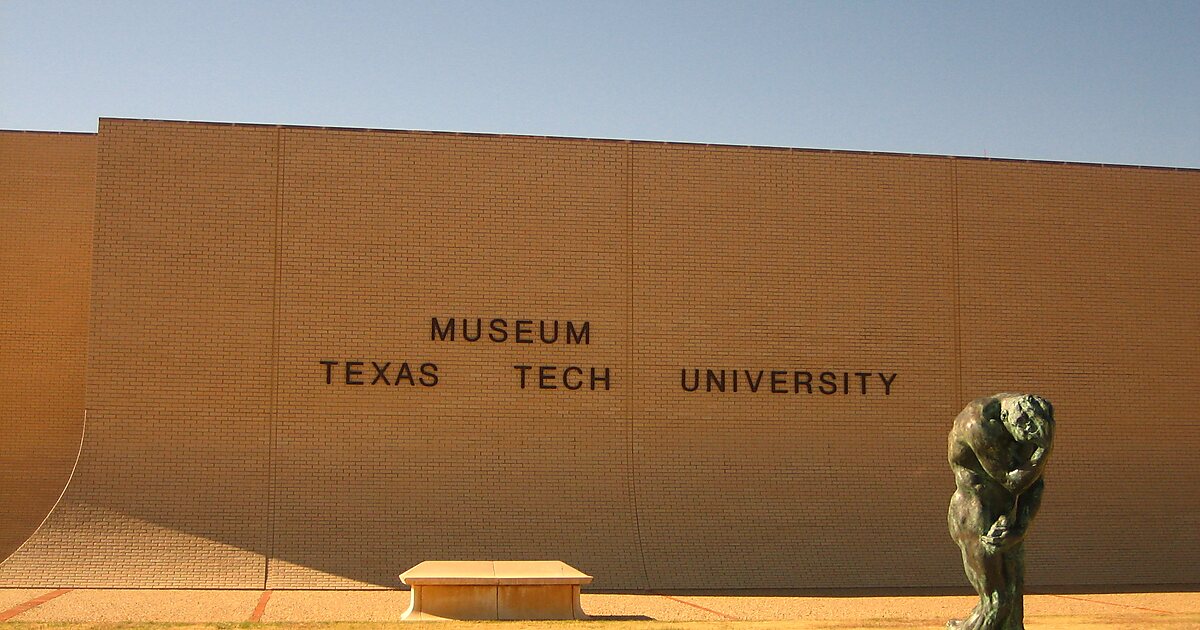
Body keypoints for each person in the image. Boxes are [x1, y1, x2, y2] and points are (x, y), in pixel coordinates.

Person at [947, 393, 1055, 630]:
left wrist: (1021, 527)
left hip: (1007, 515)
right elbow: (1012, 482)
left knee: (1013, 599)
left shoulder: (1031, 427)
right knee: (997, 601)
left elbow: (1035, 484)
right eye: (1026, 433)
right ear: (1009, 417)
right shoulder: (976, 423)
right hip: (974, 511)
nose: (1029, 441)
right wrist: (1044, 451)